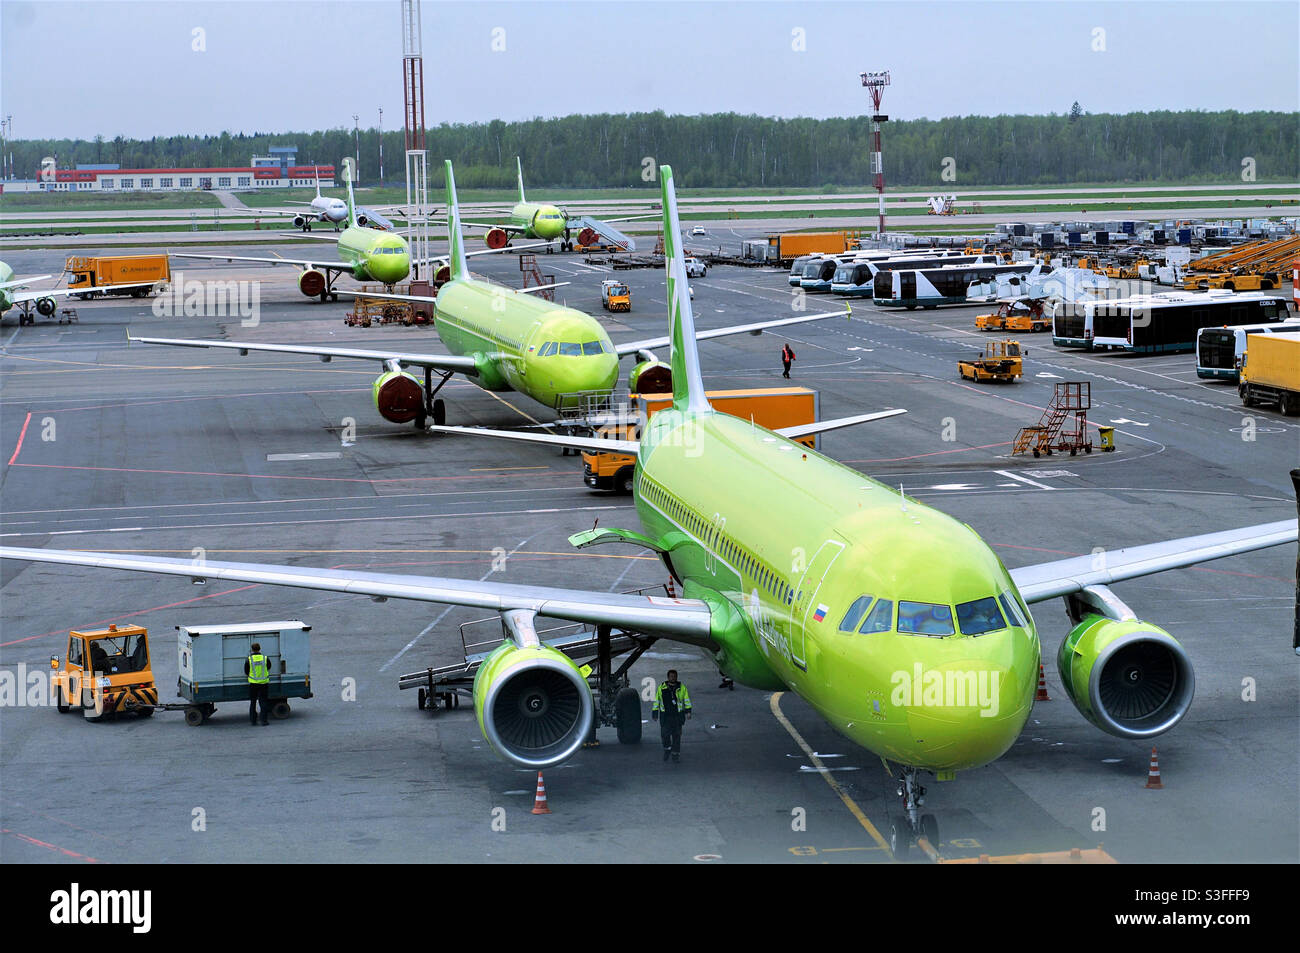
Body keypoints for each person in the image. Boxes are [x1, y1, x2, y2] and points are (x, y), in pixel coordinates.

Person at [651, 669, 692, 763]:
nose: (673, 678)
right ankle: (667, 749)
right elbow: (657, 700)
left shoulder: (682, 688)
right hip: (666, 716)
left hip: (677, 716)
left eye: (674, 676)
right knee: (665, 735)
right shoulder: (662, 688)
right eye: (671, 676)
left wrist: (688, 711)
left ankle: (675, 755)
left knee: (677, 737)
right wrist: (655, 713)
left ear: (676, 677)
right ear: (668, 677)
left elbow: (686, 700)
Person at [244, 642, 270, 726]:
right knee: (263, 702)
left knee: (253, 702)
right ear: (260, 649)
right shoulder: (265, 658)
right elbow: (269, 667)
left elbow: (246, 671)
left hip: (253, 684)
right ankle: (264, 721)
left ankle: (253, 721)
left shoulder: (249, 659)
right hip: (263, 683)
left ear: (252, 649)